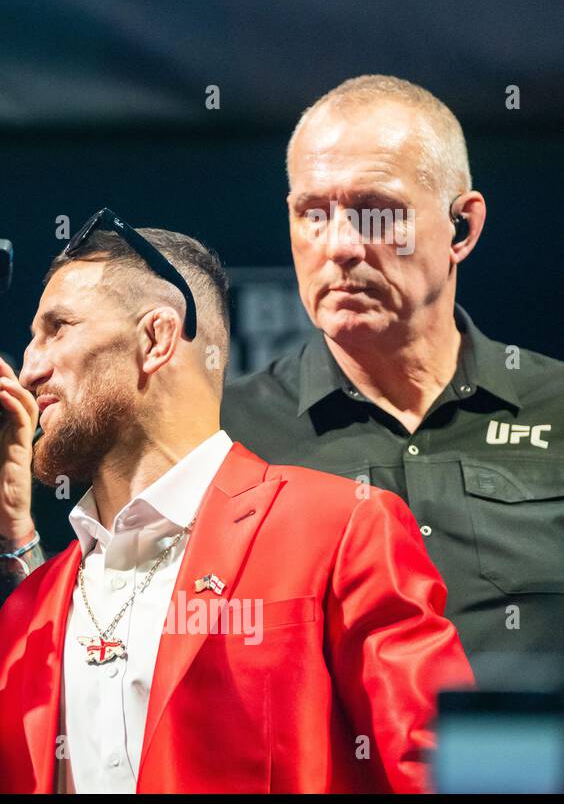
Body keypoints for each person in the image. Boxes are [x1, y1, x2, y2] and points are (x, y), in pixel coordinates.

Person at [0, 213, 472, 793]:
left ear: (156, 338)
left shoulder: (340, 528)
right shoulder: (31, 605)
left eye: (57, 328)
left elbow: (456, 781)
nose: (29, 366)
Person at [223, 75, 564, 672]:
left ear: (463, 226)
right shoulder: (226, 436)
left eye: (376, 213)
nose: (342, 246)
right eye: (314, 214)